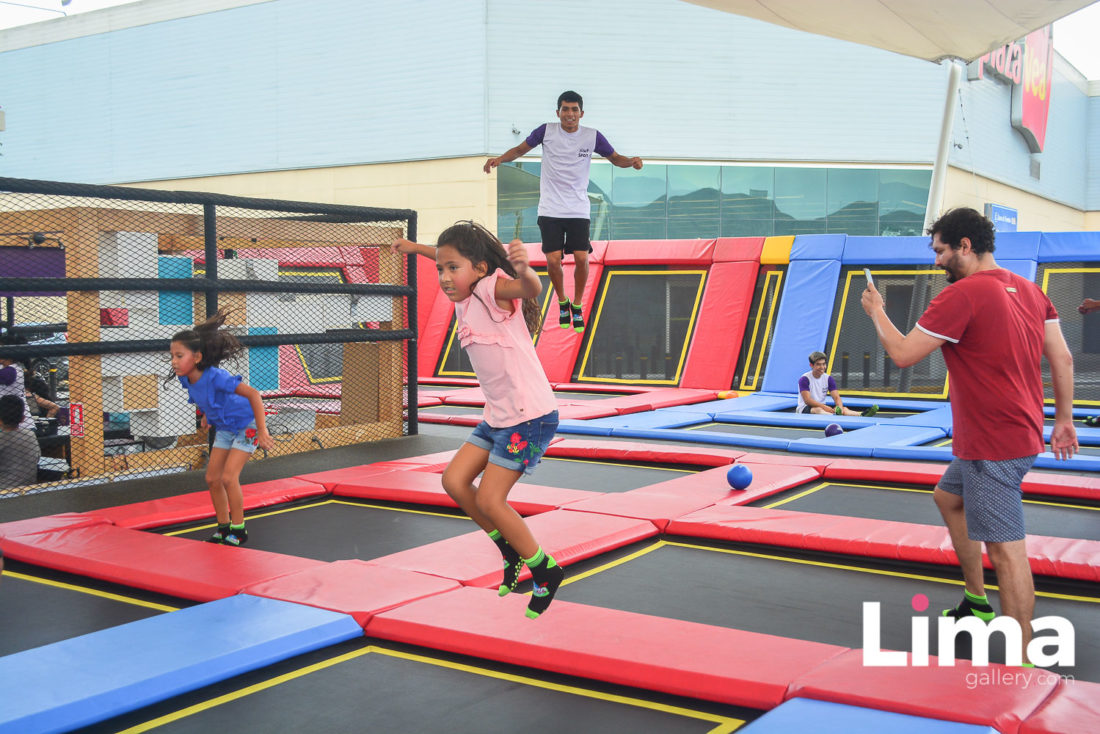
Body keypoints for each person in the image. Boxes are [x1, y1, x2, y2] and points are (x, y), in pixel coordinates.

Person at [861, 207, 1077, 666]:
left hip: (991, 444)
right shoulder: (1032, 291)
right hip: (1021, 430)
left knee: (1006, 551)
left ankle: (1024, 659)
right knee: (948, 498)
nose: (937, 260)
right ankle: (977, 602)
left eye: (941, 251)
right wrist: (1063, 420)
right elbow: (1063, 358)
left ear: (965, 245)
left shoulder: (961, 295)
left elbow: (903, 354)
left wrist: (877, 312)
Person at [392, 222, 564, 619]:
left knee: (490, 499)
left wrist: (525, 270)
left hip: (529, 417)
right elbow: (445, 256)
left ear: (481, 269)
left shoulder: (490, 291)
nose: (444, 277)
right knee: (453, 481)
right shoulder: (464, 294)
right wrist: (415, 247)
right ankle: (508, 547)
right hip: (498, 416)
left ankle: (545, 569)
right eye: (440, 269)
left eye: (452, 269)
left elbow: (530, 289)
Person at [484, 90, 643, 334]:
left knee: (581, 258)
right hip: (551, 208)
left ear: (581, 113)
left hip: (577, 208)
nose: (570, 114)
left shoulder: (592, 136)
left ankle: (576, 304)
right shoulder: (546, 131)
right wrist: (499, 159)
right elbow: (519, 150)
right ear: (558, 112)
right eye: (565, 109)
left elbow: (615, 158)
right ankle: (562, 300)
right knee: (553, 260)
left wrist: (631, 162)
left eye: (574, 110)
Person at [167, 310, 274, 546]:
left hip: (247, 425)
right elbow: (206, 397)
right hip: (225, 427)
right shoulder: (186, 378)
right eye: (172, 355)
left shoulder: (217, 376)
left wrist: (262, 430)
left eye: (179, 355)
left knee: (228, 477)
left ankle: (239, 529)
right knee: (212, 478)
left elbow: (254, 395)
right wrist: (207, 414)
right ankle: (223, 528)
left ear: (197, 357)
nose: (173, 361)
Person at [796, 351, 878, 417]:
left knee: (843, 409)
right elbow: (807, 400)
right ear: (811, 365)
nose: (822, 367)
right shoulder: (805, 379)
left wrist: (839, 407)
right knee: (817, 410)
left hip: (822, 407)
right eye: (818, 364)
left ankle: (861, 415)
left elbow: (836, 397)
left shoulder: (828, 379)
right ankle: (834, 416)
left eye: (824, 364)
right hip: (805, 408)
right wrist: (825, 407)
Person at [0, 393, 39, 490]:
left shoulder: (2, 438)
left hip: (4, 492)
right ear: (23, 419)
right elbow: (37, 458)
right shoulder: (31, 435)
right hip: (28, 490)